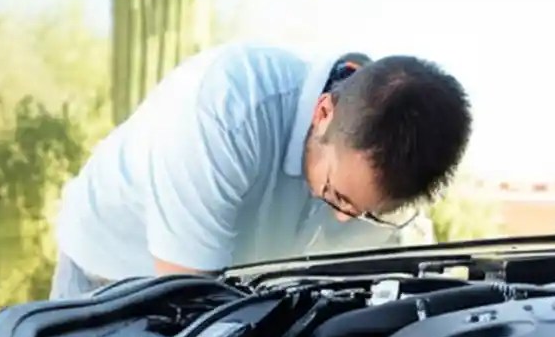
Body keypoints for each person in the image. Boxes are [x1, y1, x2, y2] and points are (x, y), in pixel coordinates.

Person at [49, 43, 471, 300]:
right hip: (109, 271)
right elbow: (187, 303)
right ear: (323, 112)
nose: (343, 219)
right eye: (337, 196)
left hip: (230, 281)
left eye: (366, 211)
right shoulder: (229, 108)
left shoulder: (392, 167)